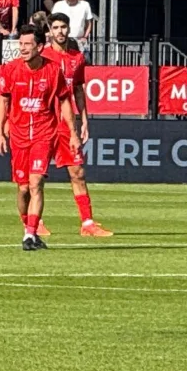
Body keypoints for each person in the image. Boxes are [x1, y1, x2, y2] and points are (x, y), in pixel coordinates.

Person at [0, 24, 75, 251]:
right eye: (20, 44)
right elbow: (3, 101)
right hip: (18, 136)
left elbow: (65, 100)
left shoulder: (53, 70)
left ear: (40, 46)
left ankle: (30, 234)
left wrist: (73, 133)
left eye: (27, 44)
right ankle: (28, 227)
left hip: (44, 134)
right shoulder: (10, 69)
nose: (22, 48)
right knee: (23, 189)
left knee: (36, 182)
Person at [42, 13, 112, 238]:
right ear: (49, 31)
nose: (60, 31)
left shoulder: (76, 58)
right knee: (38, 174)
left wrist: (84, 119)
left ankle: (87, 223)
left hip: (67, 123)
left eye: (63, 27)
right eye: (56, 27)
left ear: (68, 29)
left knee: (78, 172)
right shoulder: (42, 56)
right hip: (43, 121)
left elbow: (79, 90)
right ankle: (35, 222)